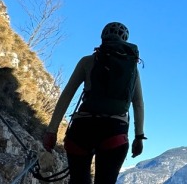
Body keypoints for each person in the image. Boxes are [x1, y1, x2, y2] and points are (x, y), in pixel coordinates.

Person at [42, 22, 146, 184]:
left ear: (103, 37)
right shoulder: (132, 68)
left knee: (78, 180)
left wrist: (52, 130)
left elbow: (67, 95)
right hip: (115, 131)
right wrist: (139, 136)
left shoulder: (87, 61)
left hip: (83, 128)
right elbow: (138, 103)